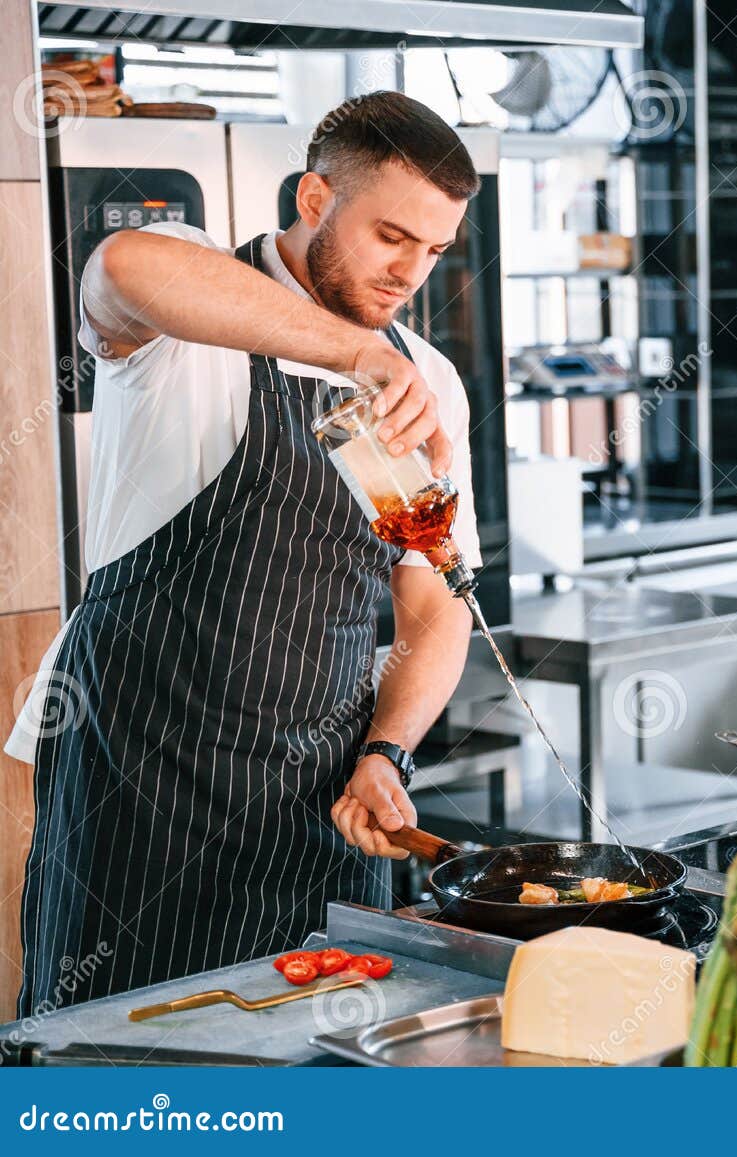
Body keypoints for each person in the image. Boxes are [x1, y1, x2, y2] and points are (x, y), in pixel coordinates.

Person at [10, 90, 483, 1013]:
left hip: (322, 804)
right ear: (314, 199)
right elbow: (119, 267)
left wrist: (388, 752)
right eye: (392, 236)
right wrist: (359, 357)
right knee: (122, 1056)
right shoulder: (180, 329)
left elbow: (433, 605)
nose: (410, 274)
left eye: (433, 251)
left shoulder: (430, 384)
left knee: (321, 1065)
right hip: (142, 800)